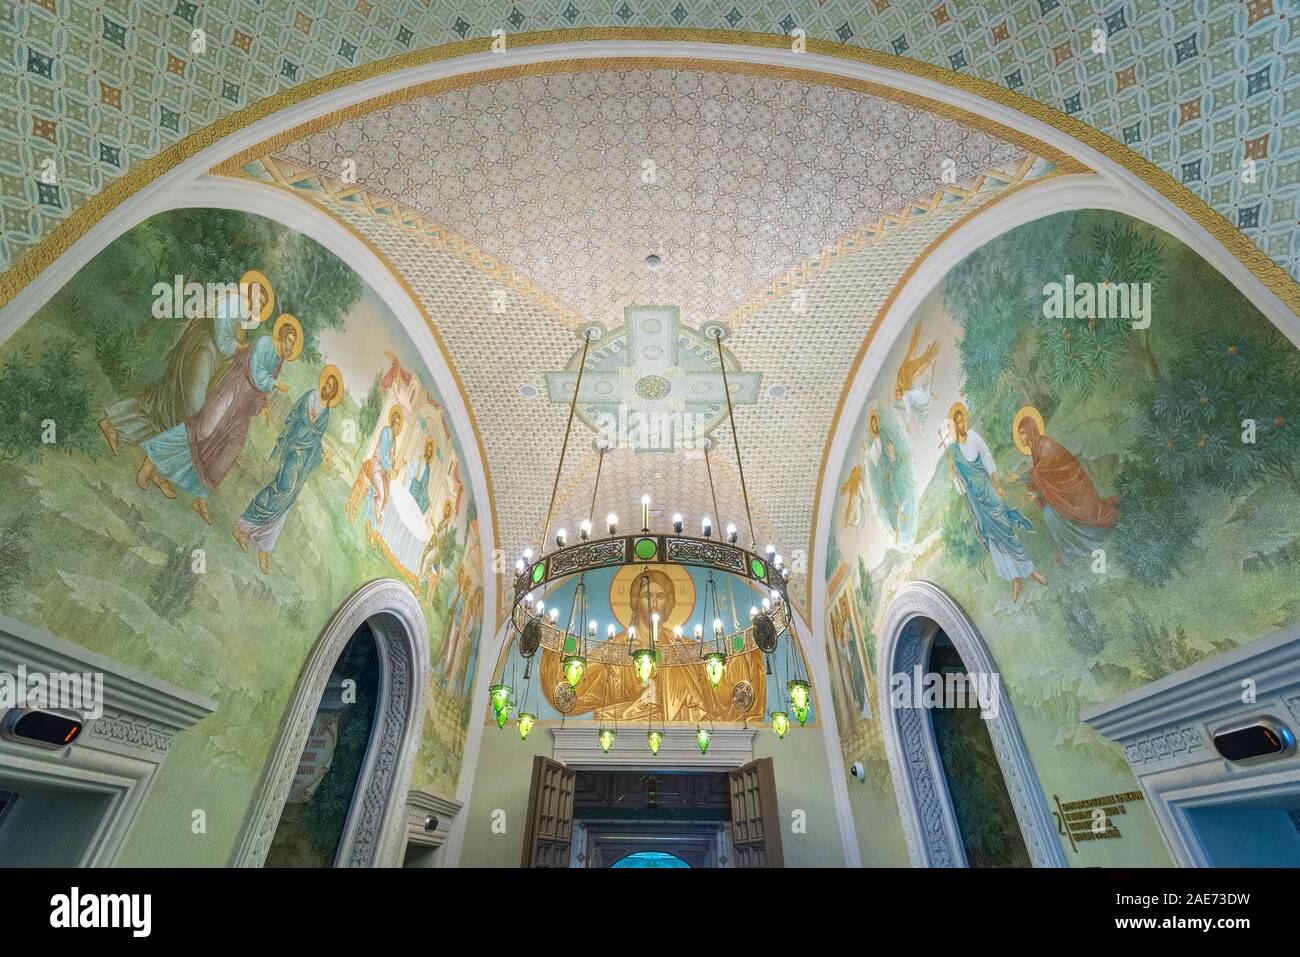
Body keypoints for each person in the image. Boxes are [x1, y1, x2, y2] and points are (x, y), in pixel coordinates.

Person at [138, 313, 302, 524]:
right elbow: (255, 371)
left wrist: (264, 405)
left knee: (231, 447)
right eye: (288, 341)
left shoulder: (279, 361)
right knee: (202, 430)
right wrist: (275, 385)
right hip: (232, 391)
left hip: (243, 408)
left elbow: (262, 388)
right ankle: (151, 460)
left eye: (292, 344)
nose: (289, 347)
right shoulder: (264, 342)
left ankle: (201, 497)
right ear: (281, 336)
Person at [99, 271, 273, 454]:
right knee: (191, 411)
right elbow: (222, 341)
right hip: (201, 353)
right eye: (257, 298)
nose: (257, 305)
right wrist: (241, 347)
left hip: (210, 359)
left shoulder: (242, 316)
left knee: (167, 406)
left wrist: (241, 348)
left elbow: (232, 347)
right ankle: (154, 461)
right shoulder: (233, 301)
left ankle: (115, 427)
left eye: (261, 304)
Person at [234, 366, 342, 574]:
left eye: (332, 387)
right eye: (327, 383)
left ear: (334, 393)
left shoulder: (326, 413)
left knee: (288, 501)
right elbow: (293, 417)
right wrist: (305, 425)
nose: (328, 388)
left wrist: (323, 456)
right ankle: (244, 526)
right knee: (282, 490)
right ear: (323, 383)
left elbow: (315, 439)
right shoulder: (310, 397)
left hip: (303, 461)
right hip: (292, 451)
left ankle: (265, 548)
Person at [945, 401, 1046, 603]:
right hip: (977, 503)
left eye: (961, 419)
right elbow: (961, 488)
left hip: (990, 492)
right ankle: (1016, 579)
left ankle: (1031, 571)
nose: (961, 424)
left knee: (1007, 531)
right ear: (955, 427)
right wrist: (954, 472)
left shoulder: (973, 437)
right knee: (994, 539)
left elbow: (988, 458)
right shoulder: (954, 451)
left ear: (965, 420)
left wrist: (998, 485)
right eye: (957, 423)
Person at [1006, 405, 1118, 564]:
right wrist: (1036, 494)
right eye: (1019, 434)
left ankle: (1084, 543)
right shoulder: (1037, 450)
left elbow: (1052, 476)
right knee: (1048, 512)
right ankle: (1070, 551)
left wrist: (1020, 477)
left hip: (1077, 494)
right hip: (1066, 494)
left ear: (1031, 430)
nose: (1021, 437)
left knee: (1049, 514)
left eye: (1023, 432)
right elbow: (1051, 482)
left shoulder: (1046, 445)